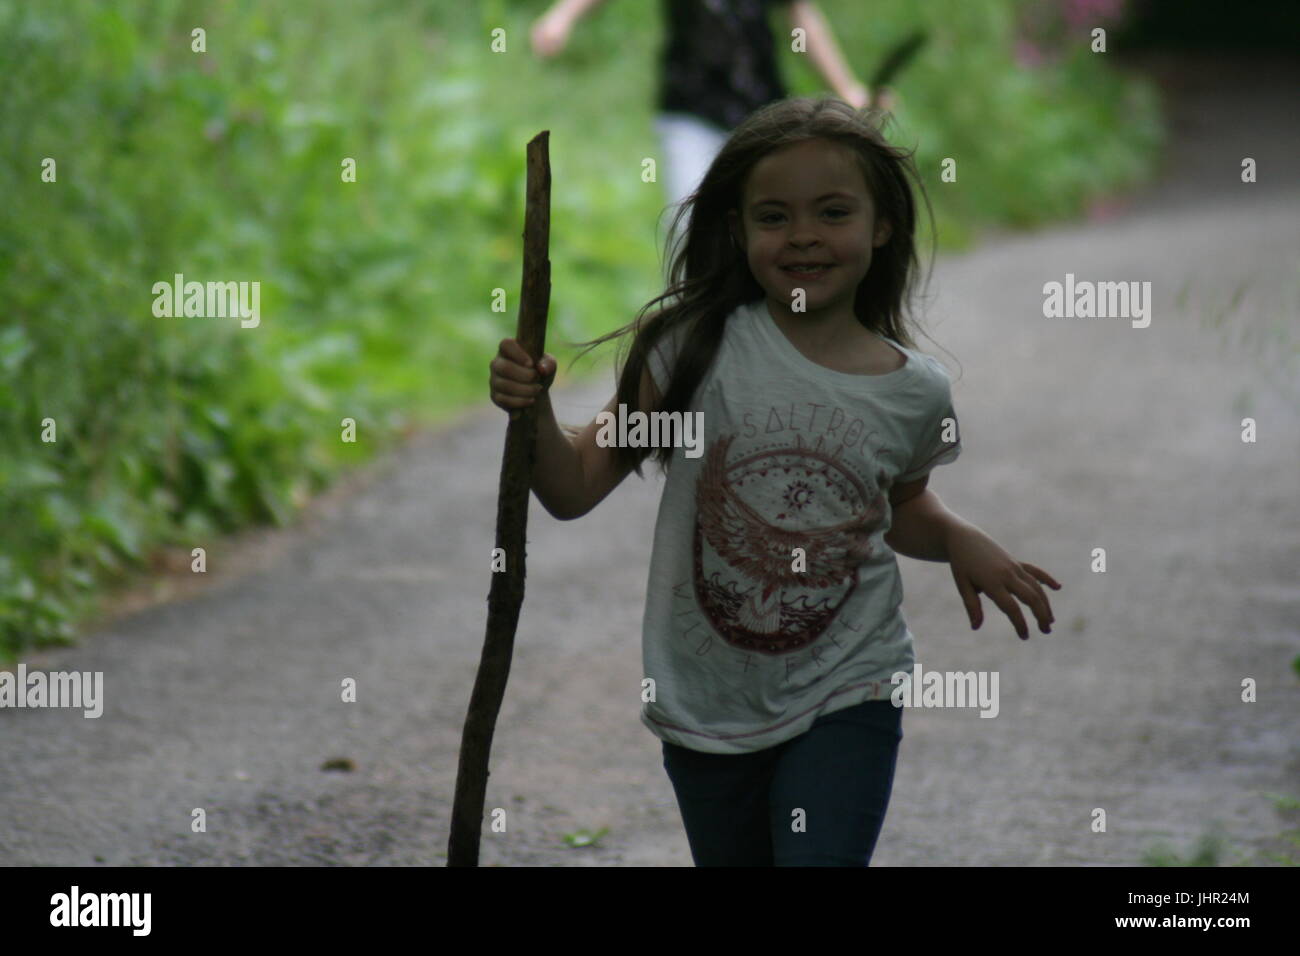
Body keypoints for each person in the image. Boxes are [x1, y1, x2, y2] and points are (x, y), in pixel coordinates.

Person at [488, 97, 1061, 866]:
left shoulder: (913, 392)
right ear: (738, 229)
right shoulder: (695, 349)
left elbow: (897, 507)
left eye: (831, 212)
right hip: (705, 701)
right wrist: (534, 409)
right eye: (774, 217)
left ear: (881, 224)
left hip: (849, 688)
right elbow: (574, 485)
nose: (803, 238)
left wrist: (956, 537)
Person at [531, 0, 892, 255]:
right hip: (690, 108)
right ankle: (691, 330)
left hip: (762, 115)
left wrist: (847, 88)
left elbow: (801, 18)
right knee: (688, 222)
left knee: (769, 224)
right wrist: (561, 17)